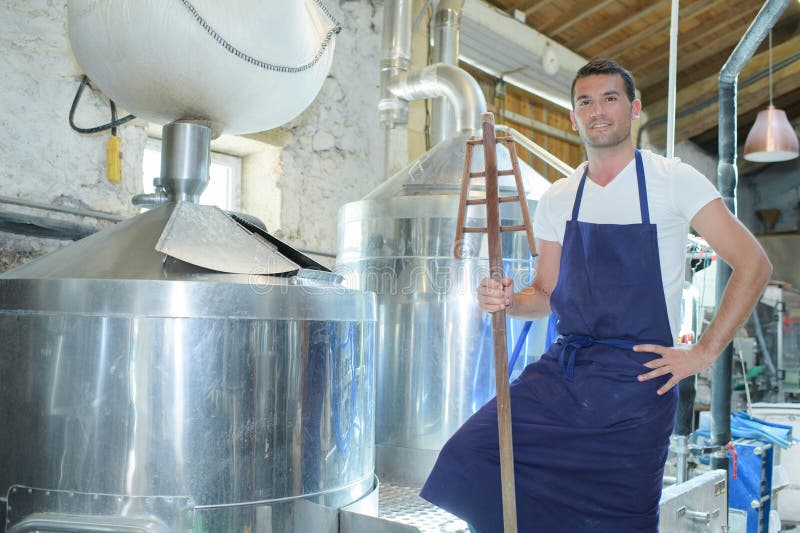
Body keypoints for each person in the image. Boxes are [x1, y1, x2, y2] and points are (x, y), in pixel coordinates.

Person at [419, 58, 772, 532]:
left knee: (617, 521)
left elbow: (754, 264)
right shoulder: (561, 197)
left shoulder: (672, 181)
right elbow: (544, 292)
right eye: (585, 101)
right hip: (565, 374)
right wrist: (508, 300)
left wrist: (702, 353)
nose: (598, 110)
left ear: (635, 109)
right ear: (573, 116)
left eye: (610, 98)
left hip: (638, 384)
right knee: (471, 456)